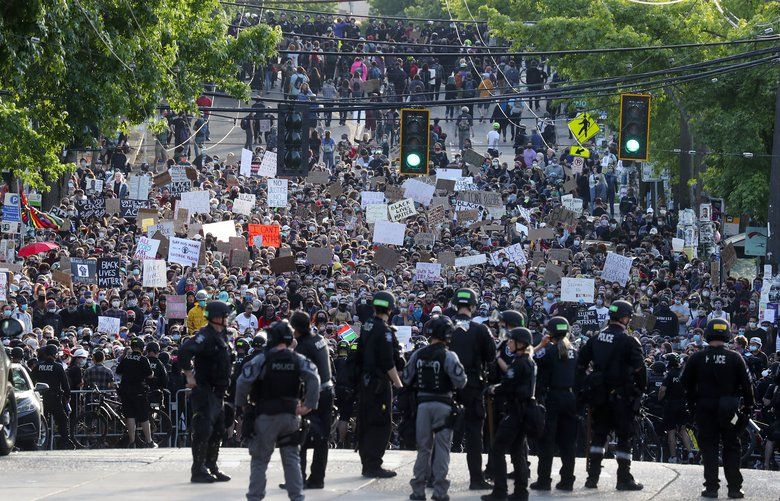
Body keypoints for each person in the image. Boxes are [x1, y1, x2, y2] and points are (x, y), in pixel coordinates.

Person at [235, 320, 320, 501]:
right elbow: (314, 379)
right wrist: (308, 406)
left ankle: (255, 498)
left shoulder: (262, 359)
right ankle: (297, 497)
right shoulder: (298, 359)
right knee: (291, 460)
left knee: (259, 461)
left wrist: (243, 405)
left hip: (265, 416)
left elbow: (242, 382)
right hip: (291, 416)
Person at [576, 299, 645, 491]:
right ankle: (624, 479)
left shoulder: (596, 337)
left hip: (599, 396)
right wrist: (639, 392)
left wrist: (587, 385)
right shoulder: (630, 340)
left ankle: (592, 478)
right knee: (624, 437)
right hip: (623, 397)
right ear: (625, 317)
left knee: (598, 436)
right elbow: (640, 370)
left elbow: (580, 365)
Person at [681, 318, 754, 498]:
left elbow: (685, 384)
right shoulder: (735, 357)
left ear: (707, 333)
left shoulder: (696, 357)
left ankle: (711, 488)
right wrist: (748, 408)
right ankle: (735, 489)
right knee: (732, 446)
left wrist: (692, 406)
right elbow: (748, 386)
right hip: (729, 410)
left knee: (709, 447)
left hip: (704, 409)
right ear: (728, 334)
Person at [404, 315, 467, 501]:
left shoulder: (418, 354)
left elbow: (406, 377)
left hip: (423, 406)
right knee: (442, 449)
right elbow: (461, 381)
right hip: (443, 406)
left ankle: (418, 491)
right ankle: (439, 492)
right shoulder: (449, 355)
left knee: (423, 449)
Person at [178, 301, 233, 483]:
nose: (227, 319)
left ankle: (211, 466)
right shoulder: (205, 335)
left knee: (218, 430)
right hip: (205, 391)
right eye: (225, 316)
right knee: (203, 430)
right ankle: (198, 470)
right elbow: (185, 351)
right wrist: (189, 375)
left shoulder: (222, 334)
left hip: (218, 393)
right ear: (217, 317)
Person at [481, 327, 536, 501]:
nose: (509, 343)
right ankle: (521, 492)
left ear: (520, 343)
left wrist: (492, 389)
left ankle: (500, 491)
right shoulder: (529, 361)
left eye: (512, 340)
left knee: (498, 448)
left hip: (515, 411)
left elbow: (507, 386)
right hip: (524, 410)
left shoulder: (519, 363)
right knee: (517, 450)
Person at [449, 288, 496, 491]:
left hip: (447, 384)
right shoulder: (480, 329)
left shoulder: (445, 325)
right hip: (472, 384)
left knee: (440, 431)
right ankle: (476, 479)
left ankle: (433, 476)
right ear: (474, 306)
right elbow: (491, 356)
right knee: (474, 433)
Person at [355, 290, 404, 478]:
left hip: (365, 382)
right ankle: (373, 464)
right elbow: (388, 363)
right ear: (390, 309)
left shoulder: (366, 326)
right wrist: (399, 385)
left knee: (366, 421)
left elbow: (359, 354)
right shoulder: (384, 330)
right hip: (378, 385)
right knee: (381, 424)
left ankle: (367, 462)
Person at [531, 317, 578, 491]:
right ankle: (567, 481)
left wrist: (541, 345)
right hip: (570, 398)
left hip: (552, 398)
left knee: (547, 441)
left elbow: (529, 358)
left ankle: (544, 481)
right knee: (568, 442)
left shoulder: (548, 351)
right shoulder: (574, 351)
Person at [290, 310, 333, 489]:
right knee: (322, 438)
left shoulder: (302, 346)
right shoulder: (319, 339)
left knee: (300, 435)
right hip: (328, 391)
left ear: (295, 328)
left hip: (312, 394)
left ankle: (298, 479)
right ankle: (317, 479)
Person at [32, 344, 78, 449]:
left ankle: (41, 442)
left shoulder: (38, 367)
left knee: (42, 421)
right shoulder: (58, 366)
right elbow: (65, 383)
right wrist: (67, 396)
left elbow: (31, 380)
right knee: (62, 420)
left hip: (40, 399)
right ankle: (66, 442)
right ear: (55, 354)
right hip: (54, 399)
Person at [116, 337, 155, 448]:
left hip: (125, 391)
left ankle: (132, 442)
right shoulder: (143, 359)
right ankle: (149, 441)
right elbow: (149, 374)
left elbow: (118, 371)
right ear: (142, 348)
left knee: (130, 416)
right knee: (143, 416)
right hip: (139, 391)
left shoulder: (126, 358)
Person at [658, 353, 695, 464]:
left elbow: (662, 390)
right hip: (683, 404)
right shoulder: (684, 374)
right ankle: (690, 453)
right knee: (683, 429)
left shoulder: (669, 374)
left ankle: (673, 457)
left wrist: (659, 400)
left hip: (670, 405)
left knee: (671, 432)